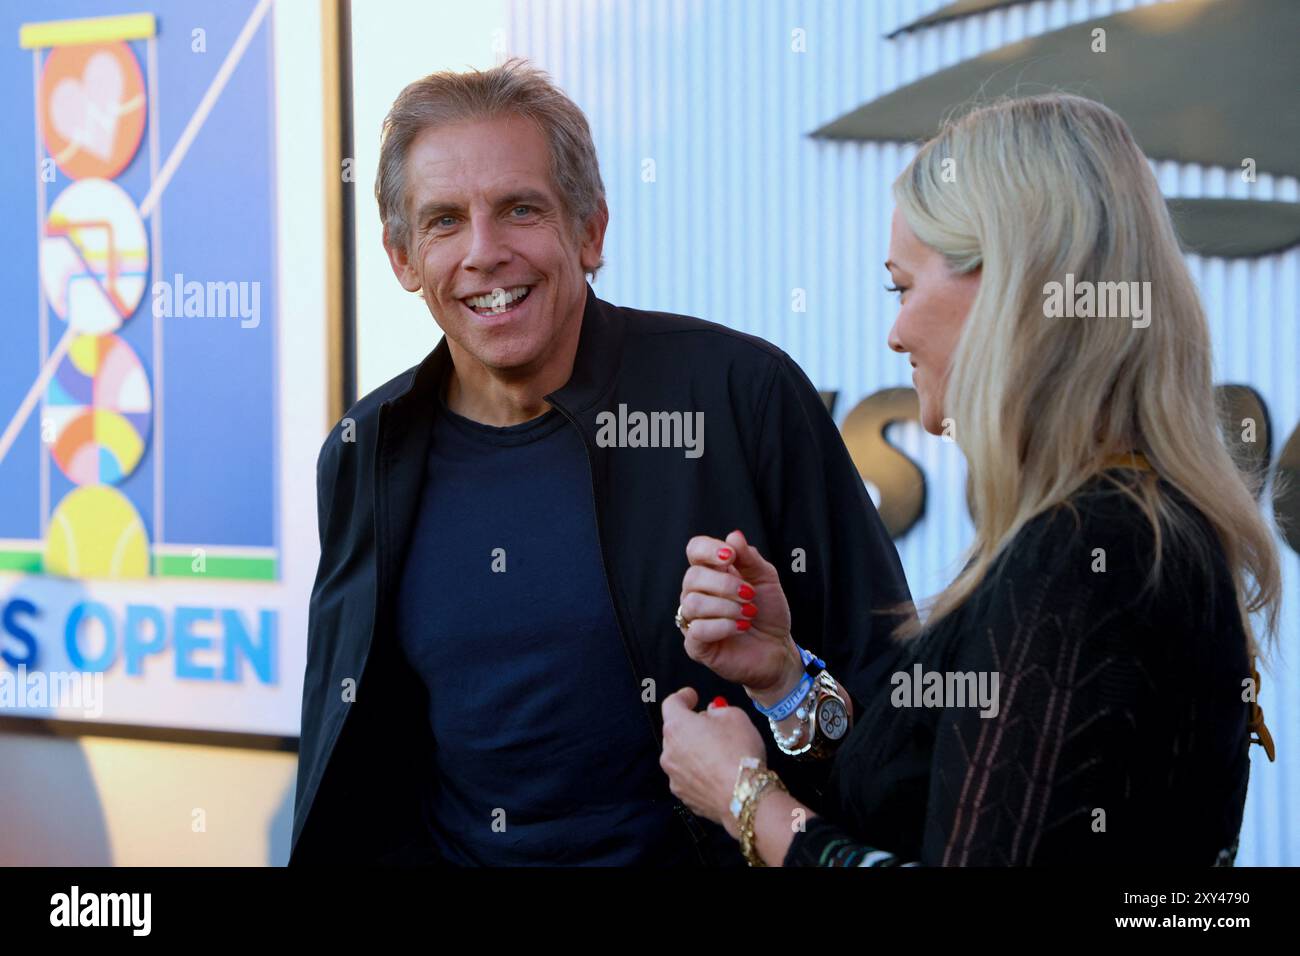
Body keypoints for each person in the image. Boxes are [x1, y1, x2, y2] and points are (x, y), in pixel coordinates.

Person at [289, 59, 912, 865]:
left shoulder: (739, 395)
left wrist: (791, 694)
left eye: (520, 209)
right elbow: (357, 762)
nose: (483, 253)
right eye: (444, 220)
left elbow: (895, 725)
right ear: (403, 258)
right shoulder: (367, 449)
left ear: (590, 231)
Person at [659, 93, 1281, 867]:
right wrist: (785, 680)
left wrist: (746, 798)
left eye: (903, 286)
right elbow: (943, 795)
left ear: (1008, 289)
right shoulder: (1116, 529)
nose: (894, 332)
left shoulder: (1087, 552)